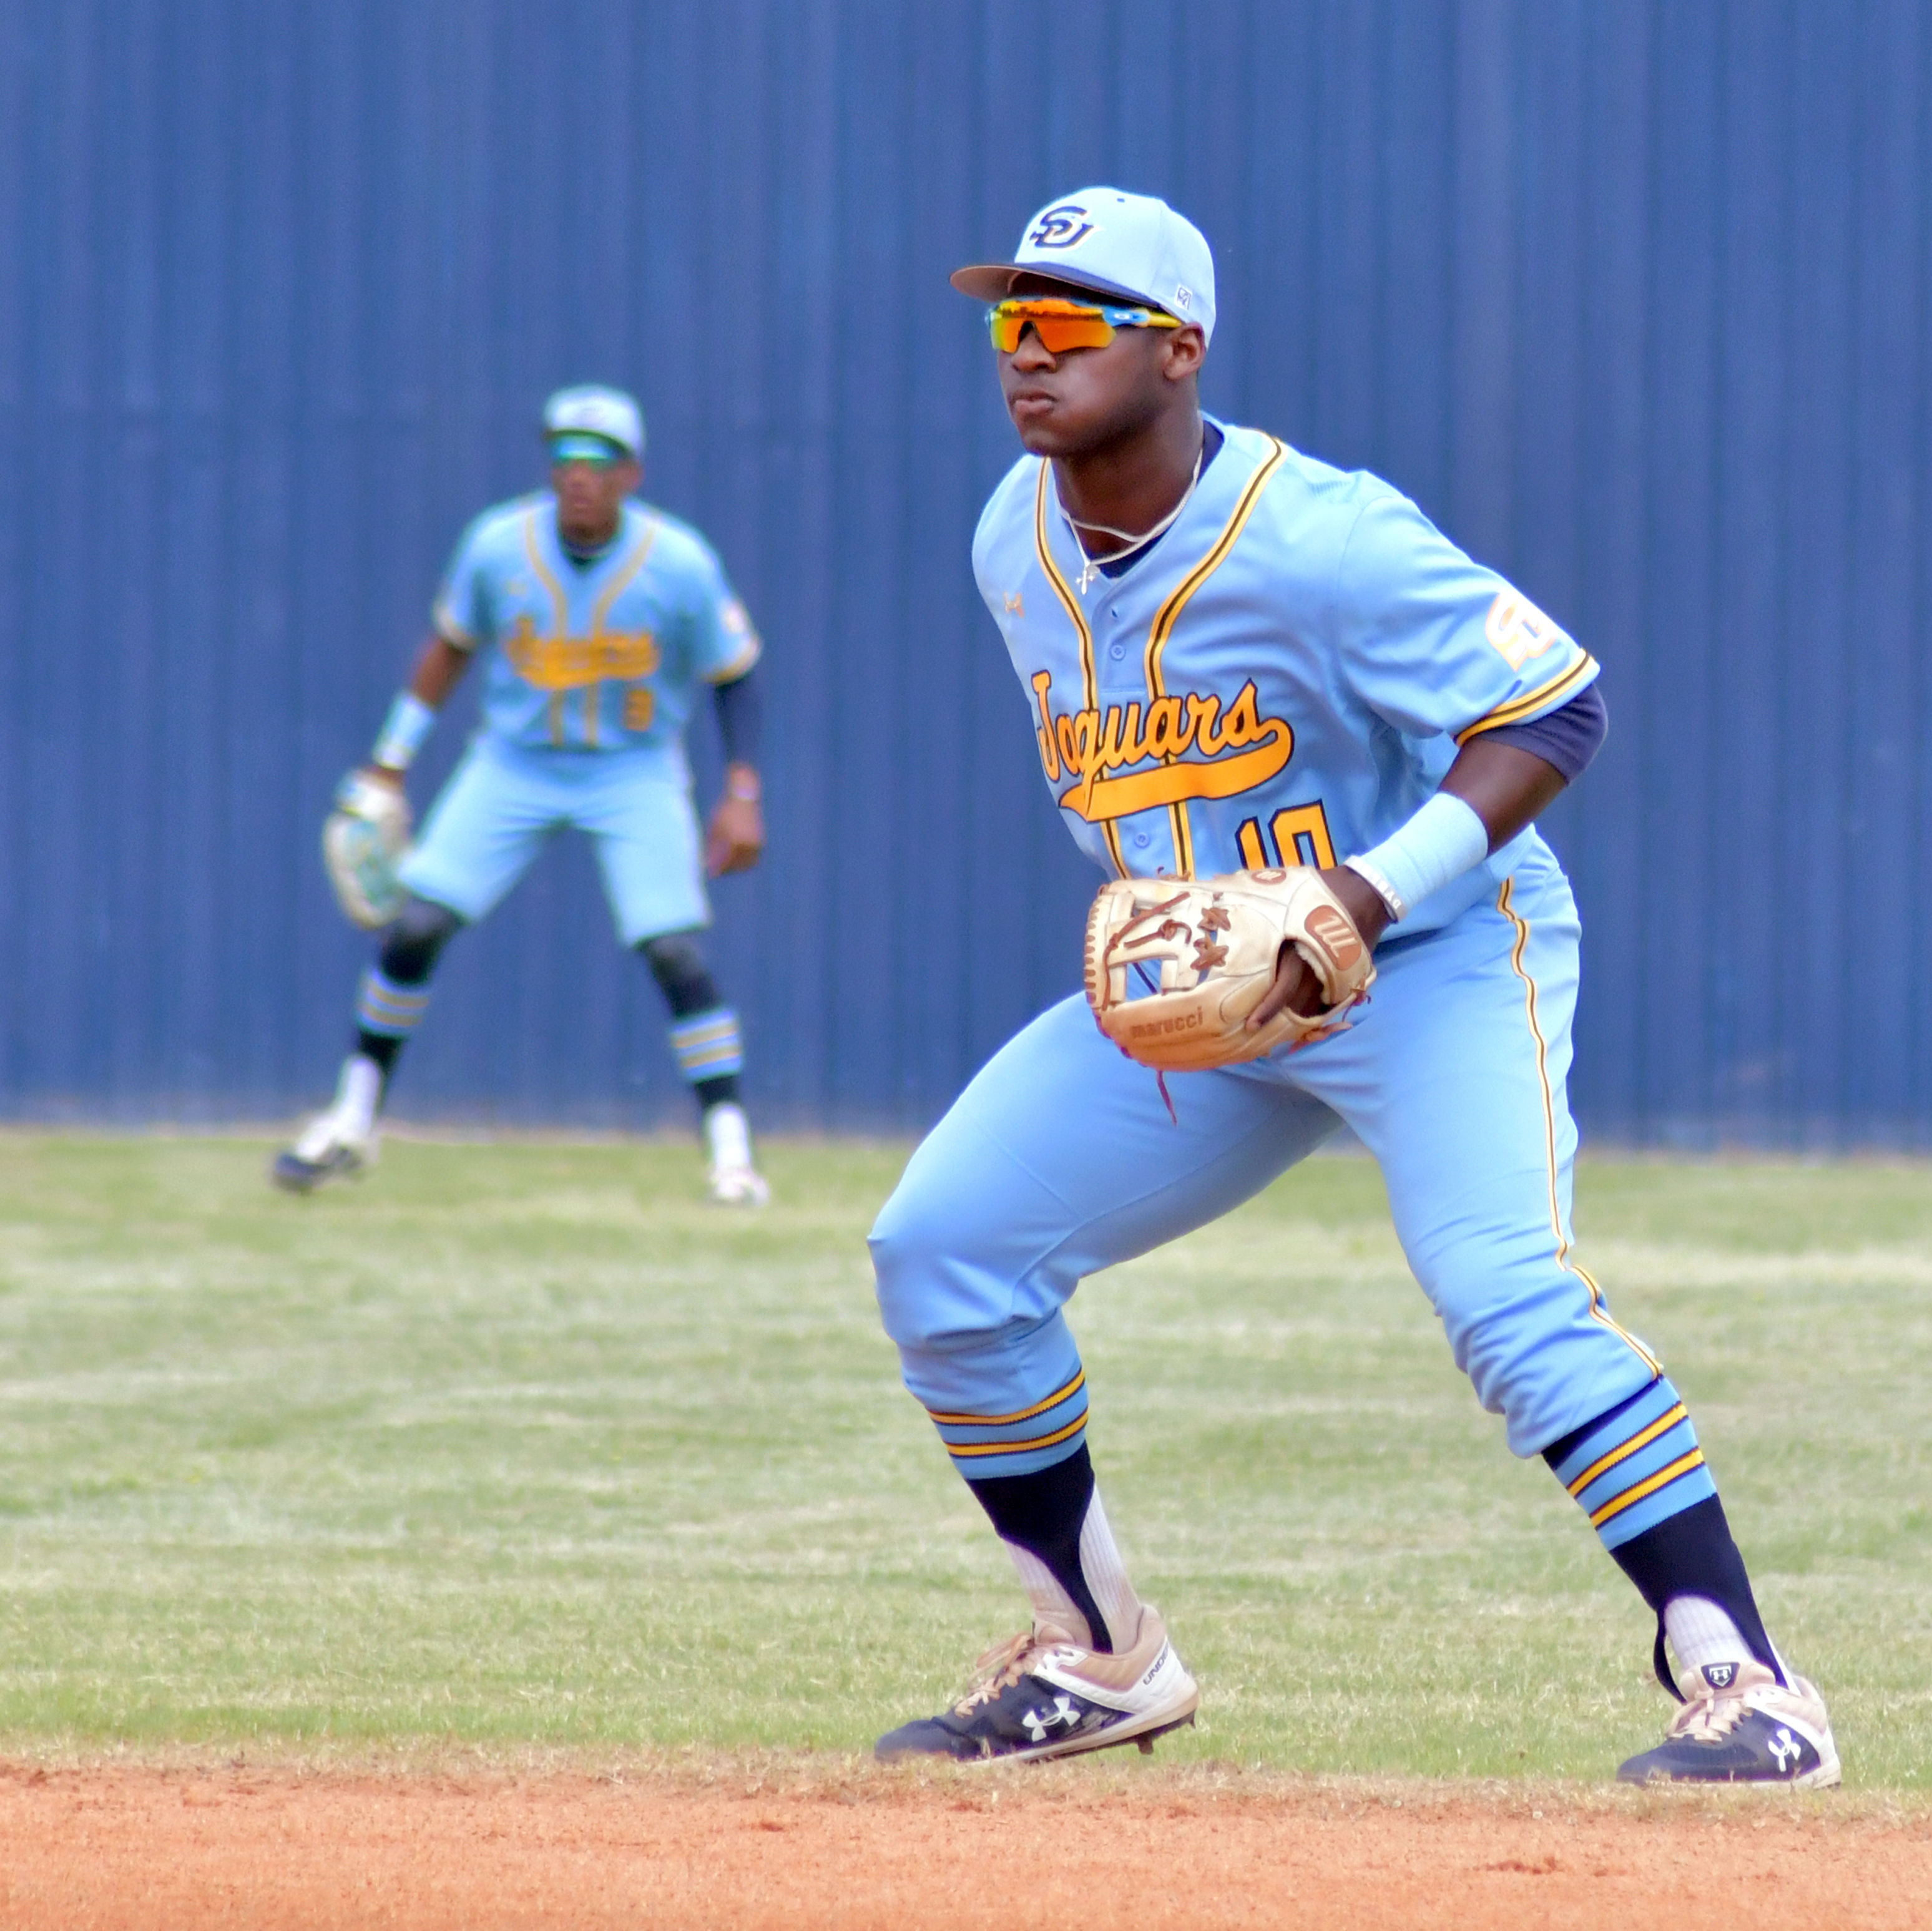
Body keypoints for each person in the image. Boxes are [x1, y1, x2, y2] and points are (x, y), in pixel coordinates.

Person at [867, 189, 1838, 1782]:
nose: (1025, 357)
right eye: (1006, 325)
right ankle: (1102, 1657)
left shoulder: (1324, 533)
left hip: (1434, 958)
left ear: (1179, 350)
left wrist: (1367, 895)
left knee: (1504, 1298)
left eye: (1067, 324)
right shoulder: (1010, 541)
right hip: (1210, 987)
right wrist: (1217, 939)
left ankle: (1751, 1682)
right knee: (943, 1248)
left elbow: (1556, 705)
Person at [275, 386, 773, 1206]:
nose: (580, 477)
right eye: (567, 459)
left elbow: (735, 673)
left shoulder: (678, 560)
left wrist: (742, 788)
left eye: (600, 461)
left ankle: (732, 1153)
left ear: (632, 473)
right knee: (416, 926)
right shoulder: (498, 545)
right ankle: (351, 1117)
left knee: (676, 953)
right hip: (514, 764)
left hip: (632, 770)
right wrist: (389, 760)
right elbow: (449, 648)